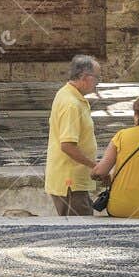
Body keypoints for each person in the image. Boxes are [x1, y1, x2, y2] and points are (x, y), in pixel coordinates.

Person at [46, 54, 101, 216]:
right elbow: (67, 145)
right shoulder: (71, 104)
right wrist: (95, 166)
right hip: (70, 182)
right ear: (84, 77)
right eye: (96, 78)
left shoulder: (71, 96)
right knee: (81, 233)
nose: (98, 82)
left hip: (75, 180)